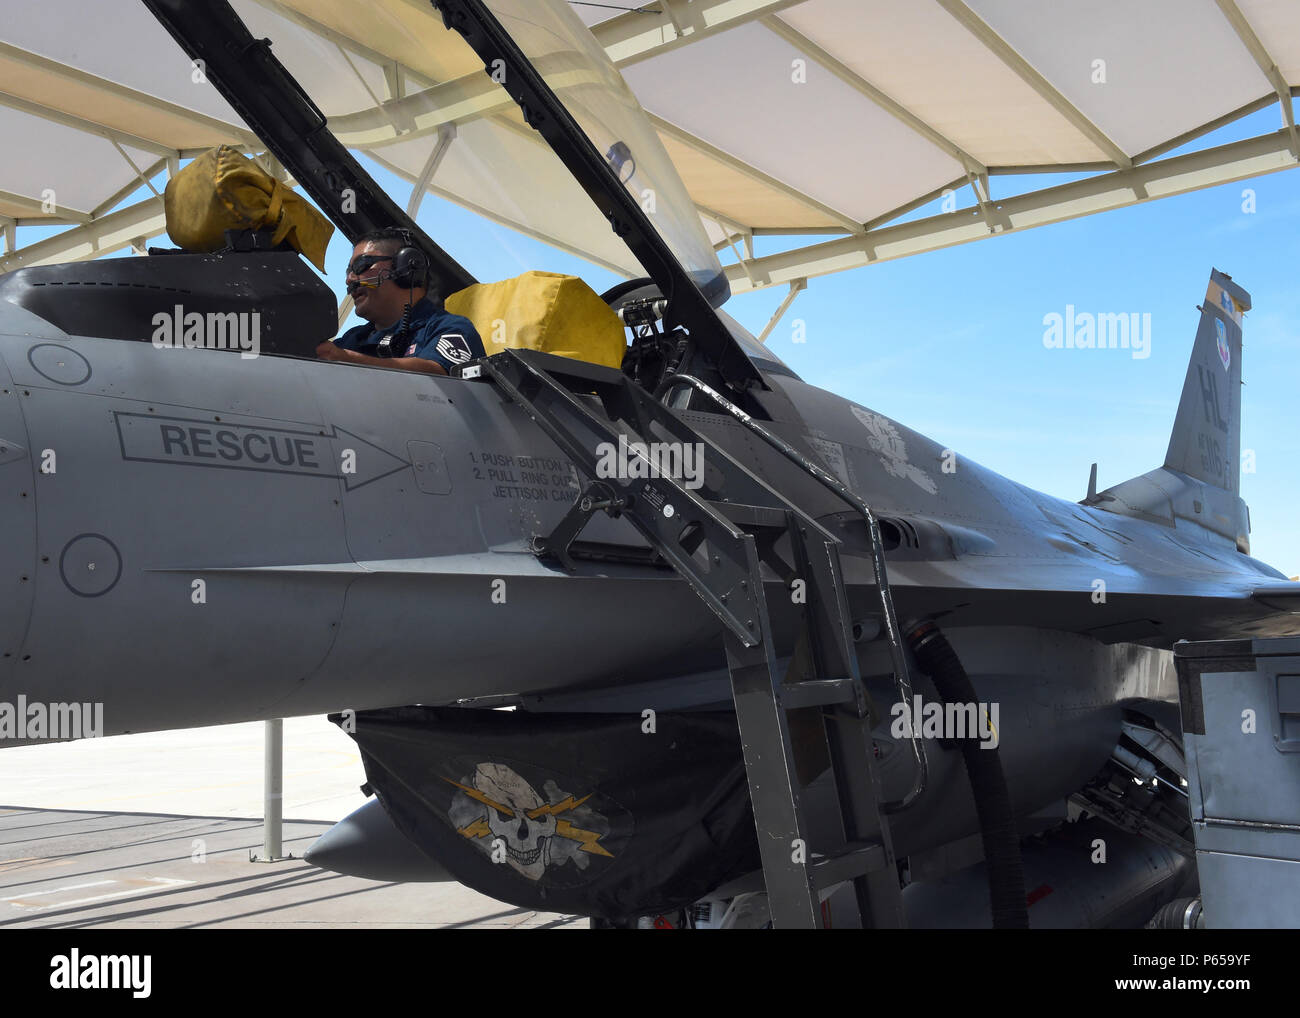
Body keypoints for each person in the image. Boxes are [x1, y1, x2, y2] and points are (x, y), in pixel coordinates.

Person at [316, 229, 484, 375]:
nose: (349, 279)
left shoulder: (450, 328)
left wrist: (345, 359)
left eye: (361, 265)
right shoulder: (353, 339)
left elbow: (439, 376)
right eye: (348, 271)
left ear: (407, 267)